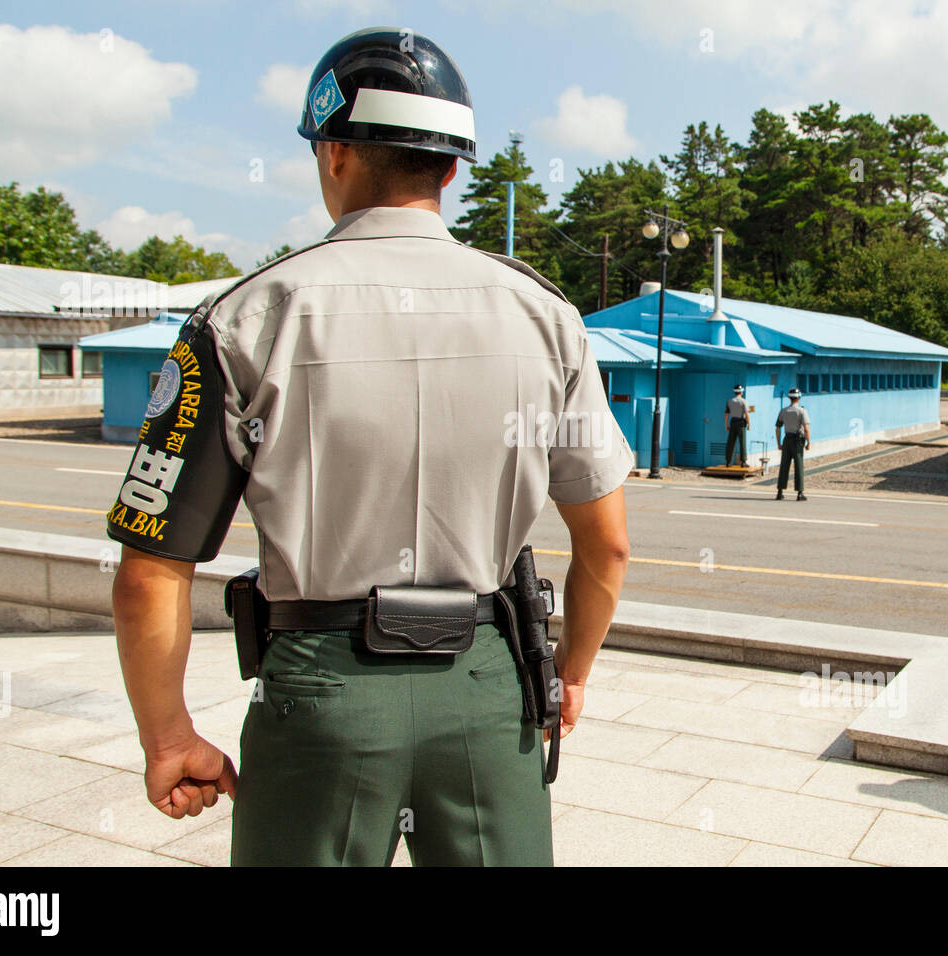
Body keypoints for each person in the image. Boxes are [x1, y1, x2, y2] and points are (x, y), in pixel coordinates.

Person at [106, 26, 634, 867]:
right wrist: (565, 672)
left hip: (322, 692)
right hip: (486, 685)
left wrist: (168, 735)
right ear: (452, 168)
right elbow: (606, 544)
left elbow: (149, 573)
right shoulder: (549, 319)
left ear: (336, 152)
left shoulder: (246, 318)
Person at [775, 386, 810, 500]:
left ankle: (780, 492)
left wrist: (779, 443)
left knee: (784, 465)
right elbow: (806, 428)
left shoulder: (784, 411)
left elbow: (778, 428)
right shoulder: (802, 411)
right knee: (799, 466)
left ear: (789, 398)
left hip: (787, 440)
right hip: (797, 441)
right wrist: (808, 442)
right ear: (799, 397)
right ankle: (799, 493)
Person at [723, 384, 749, 466]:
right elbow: (746, 414)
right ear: (741, 392)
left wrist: (726, 424)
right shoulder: (744, 401)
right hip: (741, 423)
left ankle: (728, 461)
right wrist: (749, 424)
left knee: (730, 442)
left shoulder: (729, 401)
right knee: (742, 442)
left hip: (733, 422)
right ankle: (743, 461)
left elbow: (726, 414)